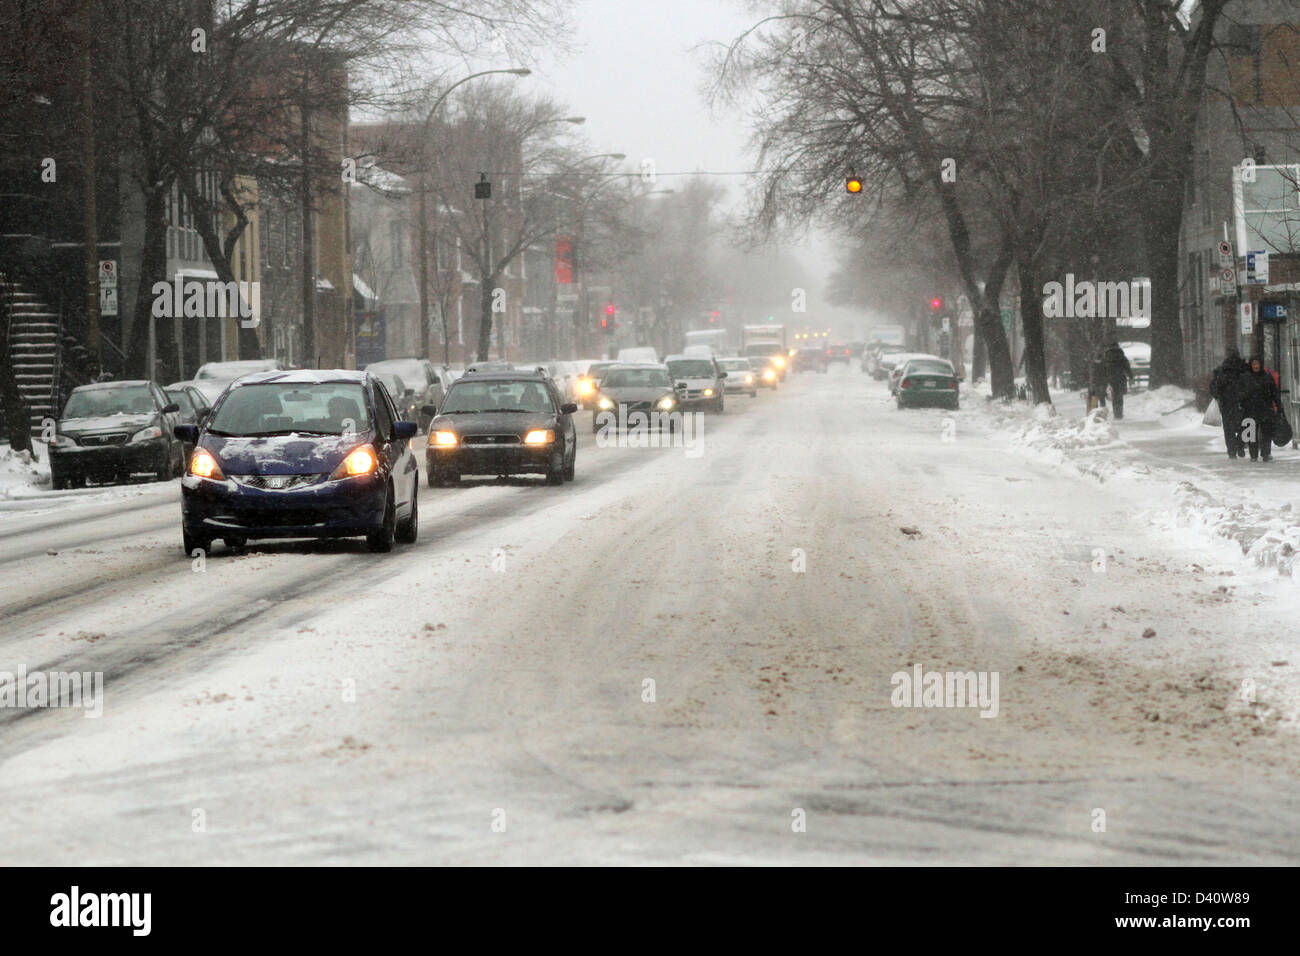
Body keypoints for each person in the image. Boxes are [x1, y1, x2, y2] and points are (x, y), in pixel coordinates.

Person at [1238, 356, 1281, 462]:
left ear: (1261, 365)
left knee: (1266, 433)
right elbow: (1240, 393)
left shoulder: (1267, 377)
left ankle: (1265, 453)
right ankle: (1253, 455)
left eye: (1257, 364)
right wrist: (1242, 402)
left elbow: (1274, 392)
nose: (1256, 366)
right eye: (1254, 364)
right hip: (1250, 410)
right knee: (1251, 433)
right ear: (1251, 366)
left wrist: (1279, 406)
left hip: (1265, 409)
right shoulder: (1245, 377)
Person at [1208, 347, 1248, 459]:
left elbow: (1214, 388)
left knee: (1229, 428)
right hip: (1241, 403)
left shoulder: (1222, 370)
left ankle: (1232, 449)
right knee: (1243, 425)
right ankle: (1239, 446)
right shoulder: (1244, 368)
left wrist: (1218, 394)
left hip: (1228, 403)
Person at [1103, 340, 1133, 420]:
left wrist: (1105, 377)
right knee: (1120, 396)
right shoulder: (1121, 355)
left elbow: (1104, 368)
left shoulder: (1107, 356)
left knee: (1114, 395)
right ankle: (1120, 413)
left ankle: (1116, 413)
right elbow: (1126, 367)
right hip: (1120, 377)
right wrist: (1131, 376)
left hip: (1111, 378)